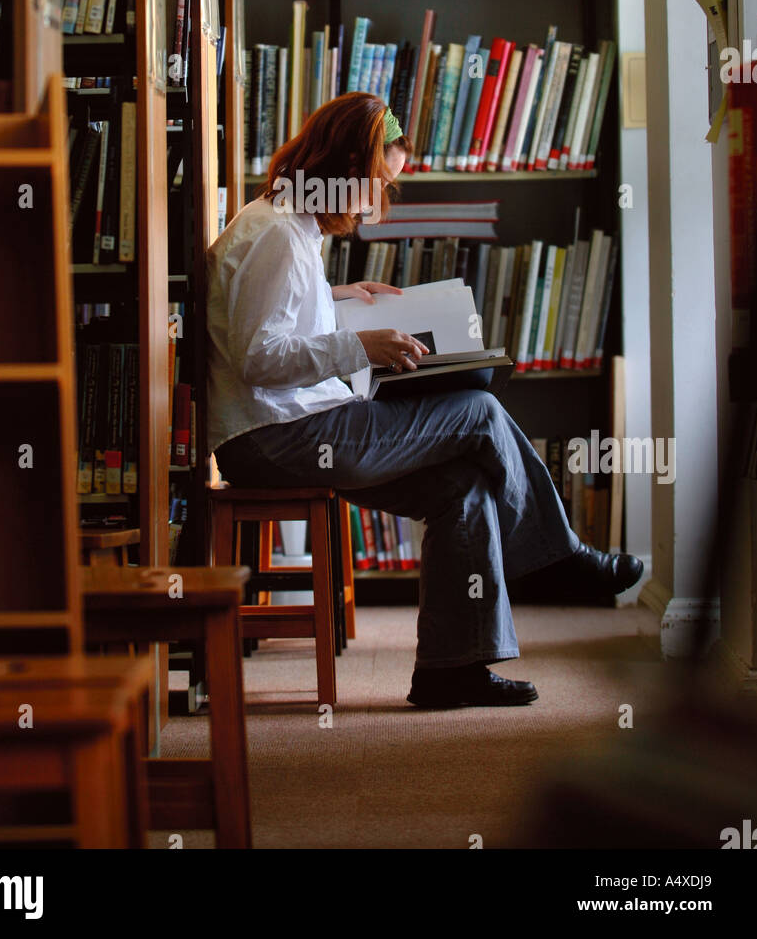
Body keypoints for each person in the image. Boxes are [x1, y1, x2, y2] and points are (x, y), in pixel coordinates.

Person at [206, 92, 643, 709]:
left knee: (460, 483)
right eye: (376, 183)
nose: (376, 202)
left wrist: (338, 298)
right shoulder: (278, 233)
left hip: (295, 427)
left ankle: (450, 670)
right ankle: (558, 553)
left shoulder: (289, 224)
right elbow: (258, 359)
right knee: (480, 411)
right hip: (275, 437)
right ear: (344, 168)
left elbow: (275, 315)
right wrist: (361, 346)